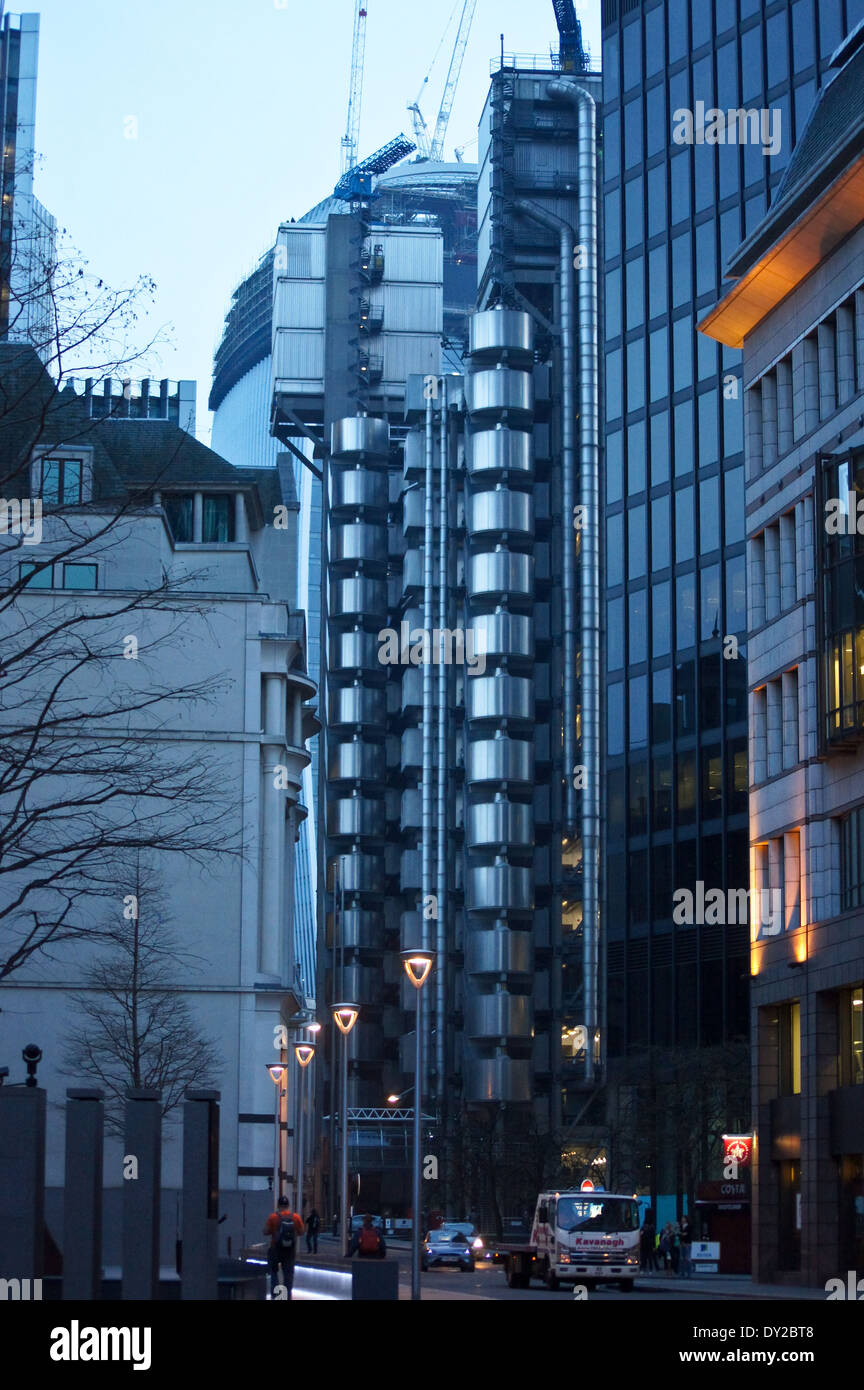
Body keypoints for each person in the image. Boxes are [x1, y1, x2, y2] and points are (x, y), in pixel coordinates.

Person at [263, 1196, 304, 1298]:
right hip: (289, 1251)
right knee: (288, 1276)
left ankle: (276, 1296)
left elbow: (265, 1231)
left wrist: (274, 1232)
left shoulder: (273, 1217)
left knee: (274, 1273)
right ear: (288, 1206)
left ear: (278, 1205)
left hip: (275, 1249)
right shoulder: (295, 1217)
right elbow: (302, 1232)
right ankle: (287, 1296)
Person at [678, 1213, 693, 1279]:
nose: (682, 1219)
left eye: (683, 1218)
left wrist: (681, 1234)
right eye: (682, 1218)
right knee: (682, 1258)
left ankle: (689, 1273)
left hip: (687, 1243)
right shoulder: (681, 1226)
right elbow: (680, 1234)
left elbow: (685, 1234)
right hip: (682, 1243)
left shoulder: (689, 1226)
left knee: (687, 1258)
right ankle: (682, 1272)